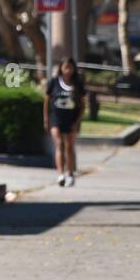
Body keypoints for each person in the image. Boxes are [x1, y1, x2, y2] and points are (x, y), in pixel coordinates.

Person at [43, 56, 85, 186]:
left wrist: (77, 122)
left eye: (70, 67)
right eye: (65, 67)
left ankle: (70, 173)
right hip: (56, 117)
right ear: (61, 68)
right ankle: (61, 174)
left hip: (71, 118)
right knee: (59, 144)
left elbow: (83, 105)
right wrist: (46, 119)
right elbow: (47, 101)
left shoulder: (77, 84)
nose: (68, 70)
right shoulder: (54, 82)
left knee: (69, 146)